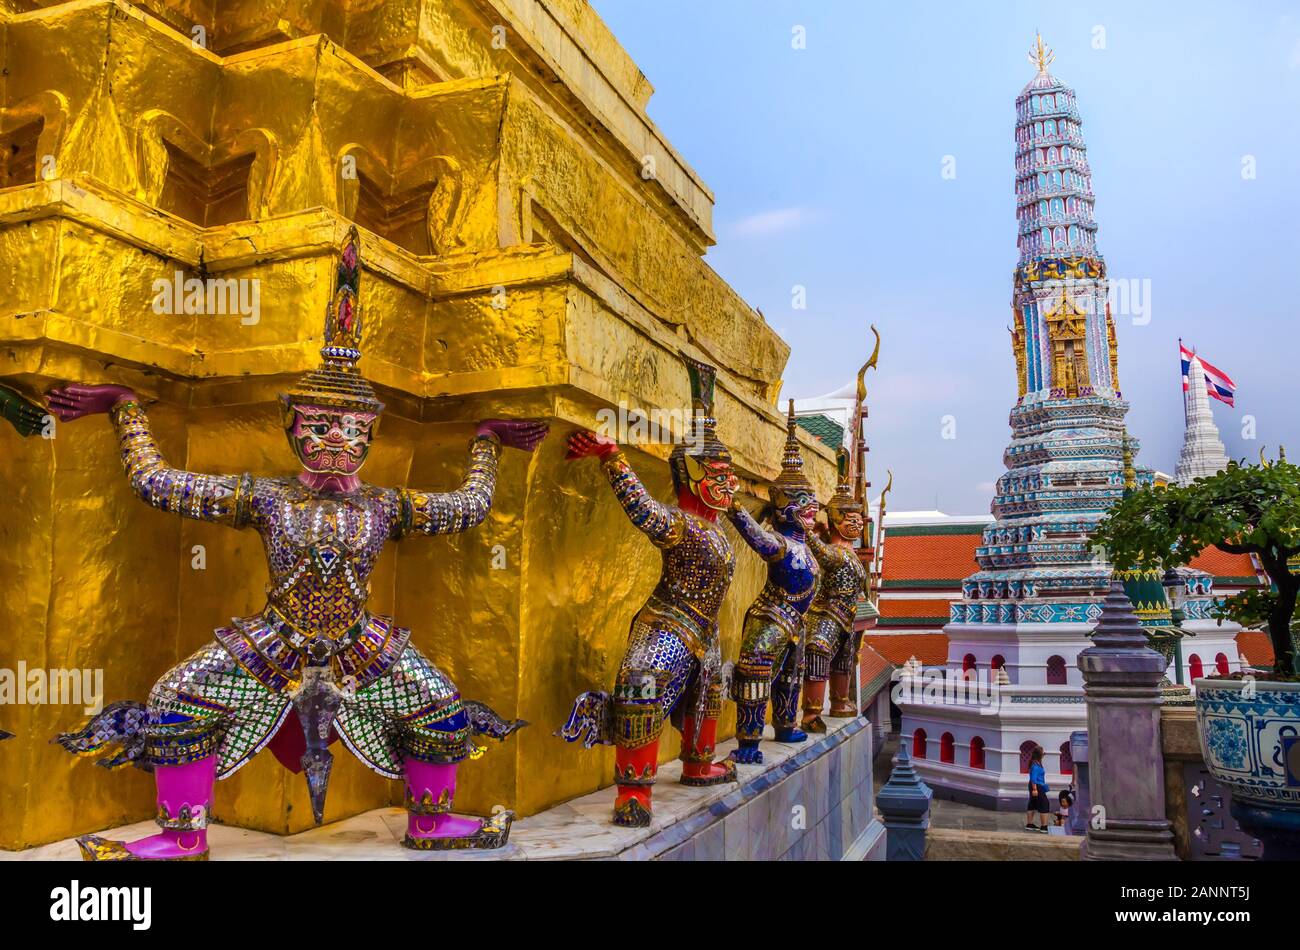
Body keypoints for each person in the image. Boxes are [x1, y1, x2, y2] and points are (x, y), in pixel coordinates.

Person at [1025, 746, 1050, 833]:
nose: (1044, 754)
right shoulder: (1035, 766)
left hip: (1037, 785)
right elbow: (1033, 778)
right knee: (1044, 804)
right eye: (1043, 753)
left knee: (1032, 803)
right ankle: (1044, 826)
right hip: (1037, 786)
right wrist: (1035, 789)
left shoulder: (1037, 763)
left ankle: (1029, 824)